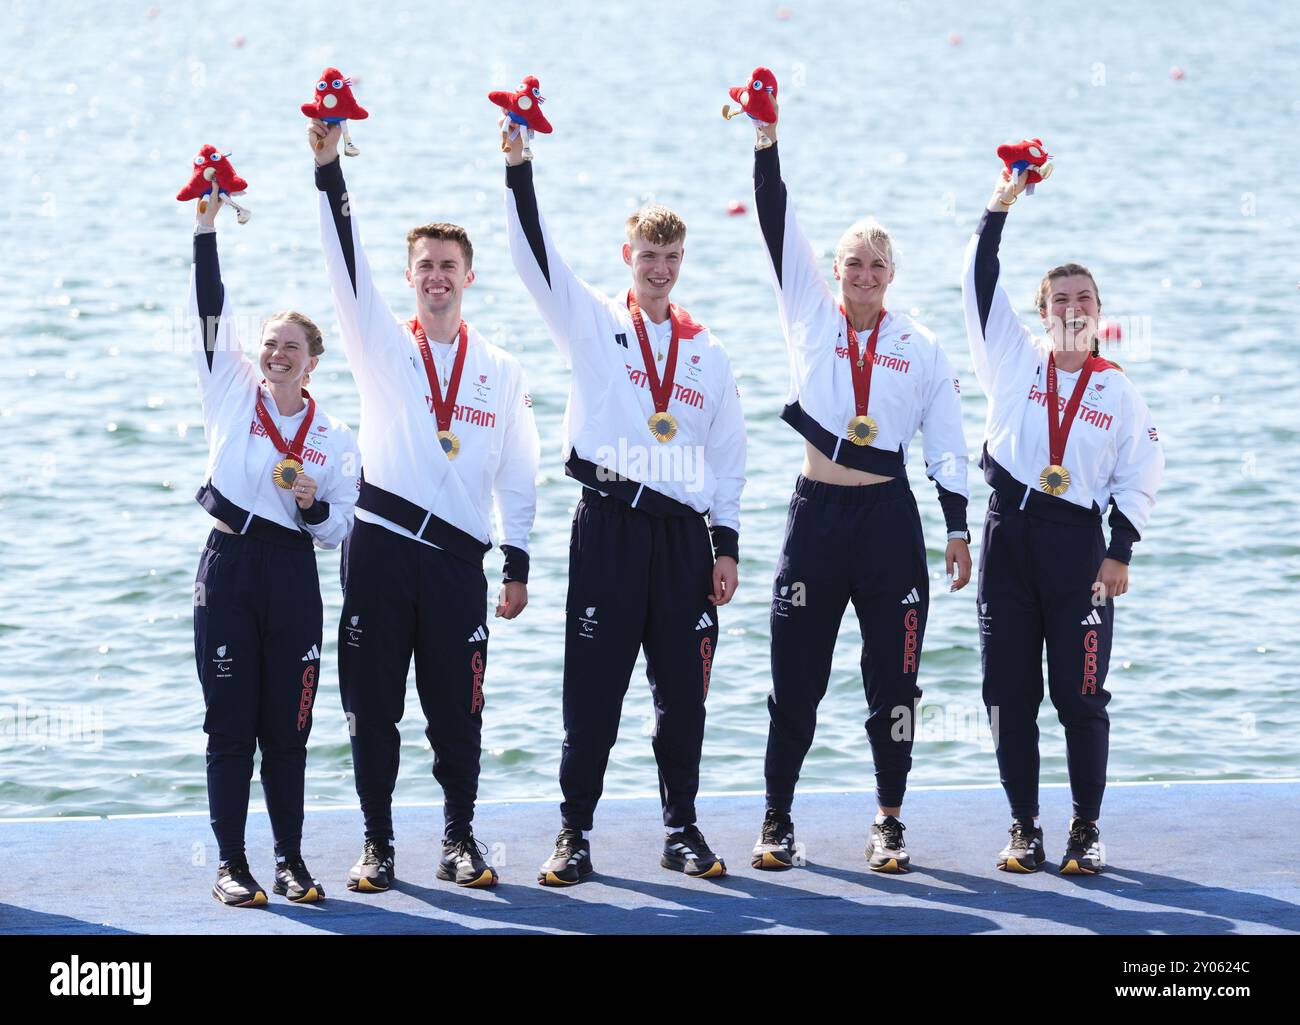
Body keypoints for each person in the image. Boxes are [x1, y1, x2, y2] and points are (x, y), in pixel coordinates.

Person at [502, 112, 747, 885]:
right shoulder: (592, 322)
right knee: (594, 691)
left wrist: (727, 543)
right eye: (649, 255)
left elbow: (730, 453)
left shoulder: (707, 351)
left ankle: (682, 829)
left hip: (682, 541)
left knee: (683, 694)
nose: (661, 269)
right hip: (606, 526)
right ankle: (574, 832)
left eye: (673, 257)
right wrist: (518, 168)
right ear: (627, 256)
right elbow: (533, 258)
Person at [309, 119, 540, 890]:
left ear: (469, 276)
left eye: (448, 265)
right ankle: (377, 843)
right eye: (423, 266)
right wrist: (328, 166)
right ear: (408, 278)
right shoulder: (380, 342)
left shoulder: (500, 369)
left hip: (456, 564)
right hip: (378, 549)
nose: (435, 276)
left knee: (459, 715)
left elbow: (518, 468)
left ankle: (459, 839)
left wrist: (518, 557)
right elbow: (345, 264)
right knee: (373, 712)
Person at [744, 106, 972, 874]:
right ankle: (776, 819)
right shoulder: (806, 311)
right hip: (818, 516)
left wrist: (958, 526)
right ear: (833, 272)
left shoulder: (921, 345)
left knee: (895, 685)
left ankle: (890, 820)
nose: (864, 275)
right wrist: (766, 140)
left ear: (892, 276)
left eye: (877, 265)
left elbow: (945, 441)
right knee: (794, 682)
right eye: (852, 263)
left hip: (888, 523)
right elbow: (775, 219)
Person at [961, 164, 1164, 874]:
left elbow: (1141, 474)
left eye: (1084, 298)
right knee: (1006, 692)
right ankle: (1024, 827)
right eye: (1059, 298)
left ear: (1098, 309)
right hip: (1007, 534)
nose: (1072, 307)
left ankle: (1085, 828)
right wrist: (999, 206)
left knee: (1080, 694)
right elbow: (979, 282)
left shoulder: (1118, 391)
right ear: (1043, 311)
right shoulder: (1012, 360)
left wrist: (1121, 550)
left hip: (1079, 549)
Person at [189, 183, 360, 906]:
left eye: (291, 345)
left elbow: (343, 524)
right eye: (270, 343)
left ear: (312, 361)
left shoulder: (334, 438)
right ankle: (232, 862)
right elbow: (209, 309)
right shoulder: (230, 389)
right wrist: (205, 230)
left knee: (287, 731)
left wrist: (314, 505)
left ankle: (290, 860)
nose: (276, 352)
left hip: (292, 574)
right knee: (231, 726)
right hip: (229, 564)